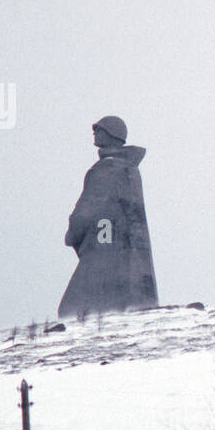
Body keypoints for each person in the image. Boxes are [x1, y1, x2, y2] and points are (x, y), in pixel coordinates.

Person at [57, 116, 159, 318]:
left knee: (71, 309)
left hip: (103, 251)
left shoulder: (106, 169)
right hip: (125, 256)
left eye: (100, 130)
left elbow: (86, 210)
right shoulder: (130, 169)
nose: (94, 133)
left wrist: (73, 232)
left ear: (112, 134)